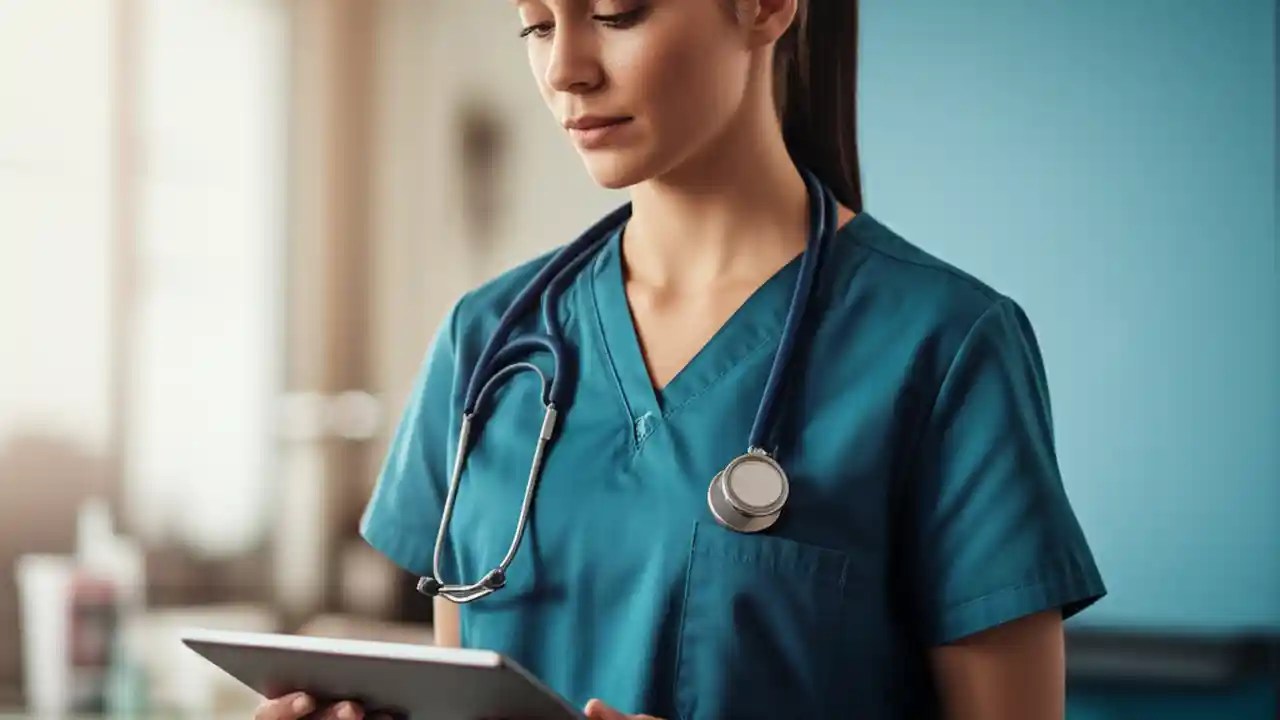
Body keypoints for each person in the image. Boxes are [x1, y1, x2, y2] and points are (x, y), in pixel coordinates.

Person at [256, 0, 1106, 718]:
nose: (567, 71)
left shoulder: (945, 346)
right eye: (537, 26)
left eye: (616, 14)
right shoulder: (487, 343)